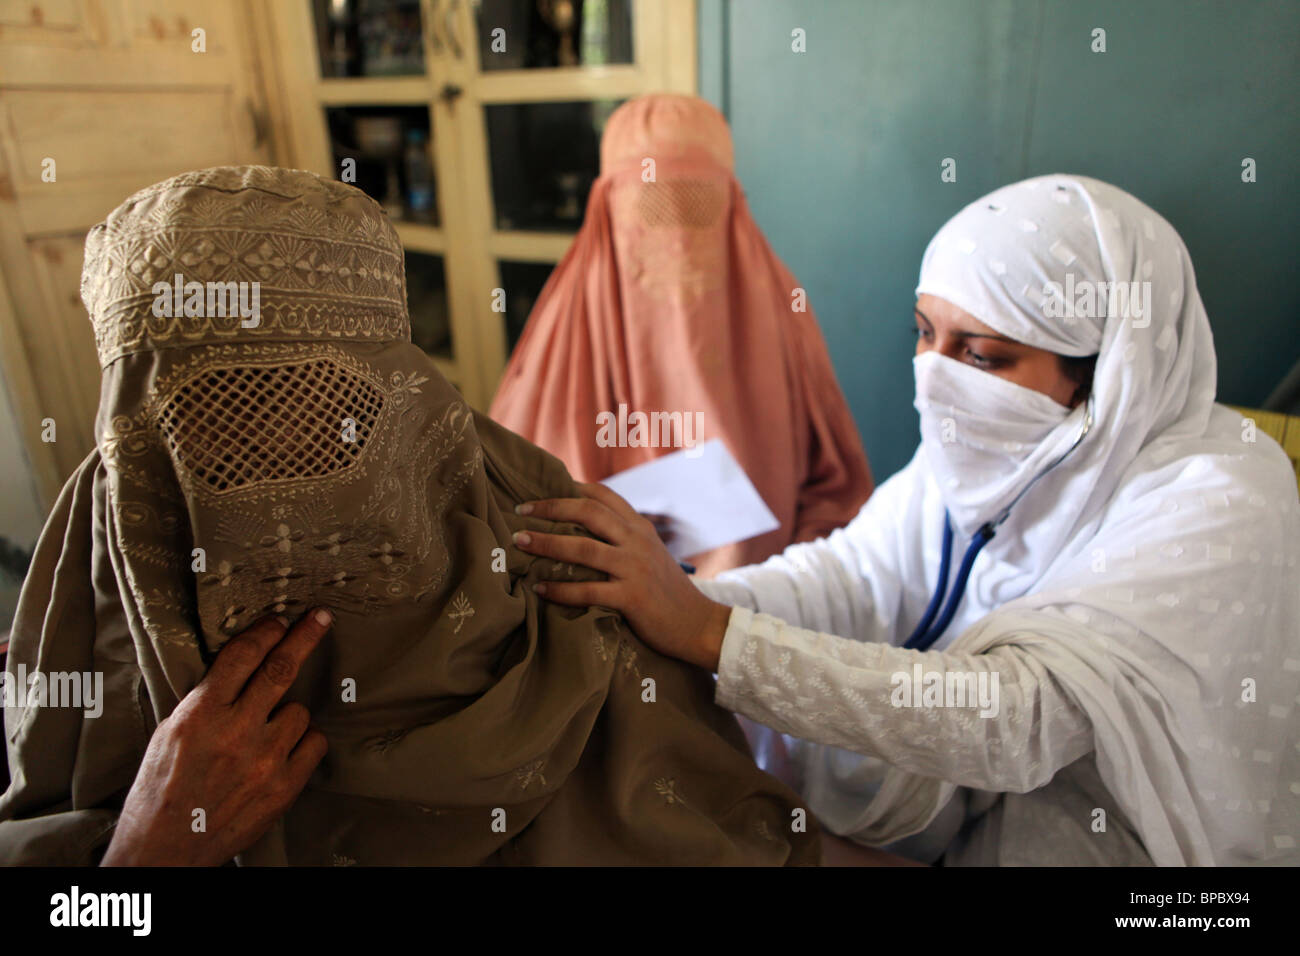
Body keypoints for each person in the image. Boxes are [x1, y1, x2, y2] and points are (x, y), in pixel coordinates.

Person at [0, 166, 820, 866]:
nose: (266, 487)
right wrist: (149, 851)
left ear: (401, 387)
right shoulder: (96, 589)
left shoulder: (548, 536)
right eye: (201, 424)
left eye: (322, 410)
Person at [510, 174, 1300, 865]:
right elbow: (854, 577)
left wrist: (711, 635)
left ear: (1104, 377)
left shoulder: (1220, 499)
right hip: (960, 819)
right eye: (924, 334)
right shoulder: (986, 457)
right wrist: (678, 604)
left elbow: (1021, 717)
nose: (935, 377)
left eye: (982, 356)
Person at [489, 94, 874, 576]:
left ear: (733, 201)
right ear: (606, 209)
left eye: (697, 205)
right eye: (648, 208)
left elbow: (836, 493)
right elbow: (514, 510)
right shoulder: (563, 331)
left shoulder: (783, 308)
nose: (676, 242)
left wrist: (777, 593)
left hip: (766, 605)